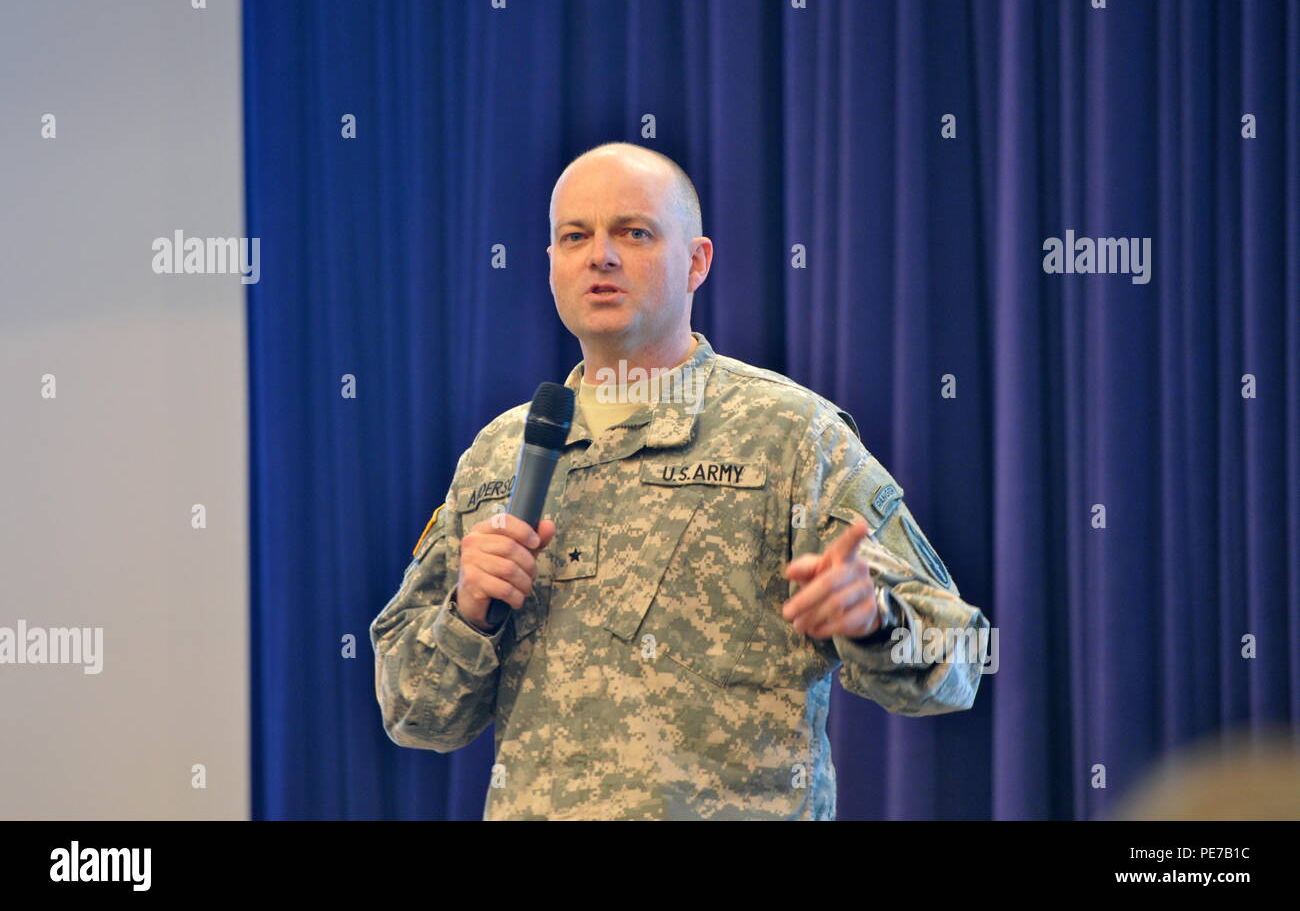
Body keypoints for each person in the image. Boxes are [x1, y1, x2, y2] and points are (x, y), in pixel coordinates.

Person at [369, 142, 989, 820]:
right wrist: (466, 613)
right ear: (551, 265)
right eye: (574, 236)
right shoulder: (499, 455)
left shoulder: (789, 434)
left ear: (697, 262)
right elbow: (414, 713)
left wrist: (874, 618)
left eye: (633, 233)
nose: (600, 255)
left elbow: (961, 654)